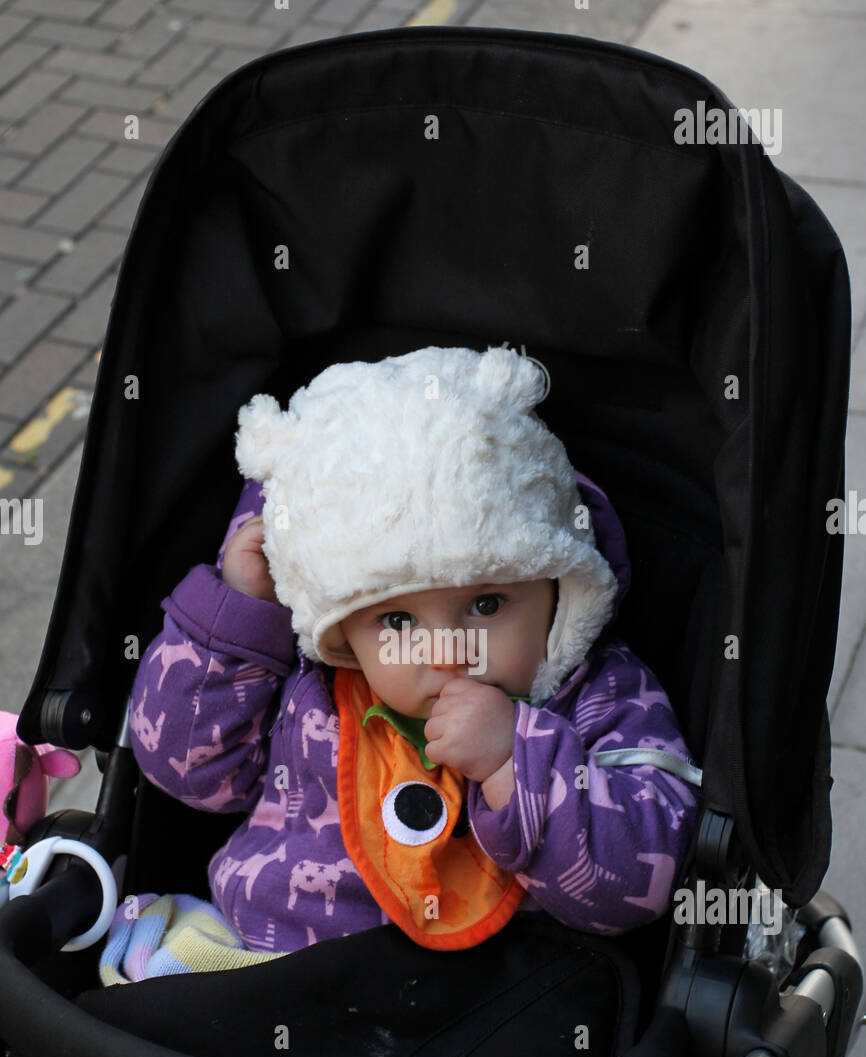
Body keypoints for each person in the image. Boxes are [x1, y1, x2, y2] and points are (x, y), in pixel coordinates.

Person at [122, 344, 700, 962]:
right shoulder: (308, 682)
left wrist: (517, 765)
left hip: (480, 1006)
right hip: (266, 966)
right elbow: (185, 773)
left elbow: (643, 882)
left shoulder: (600, 693)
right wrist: (240, 615)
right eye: (396, 620)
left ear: (558, 583)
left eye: (486, 604)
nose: (446, 651)